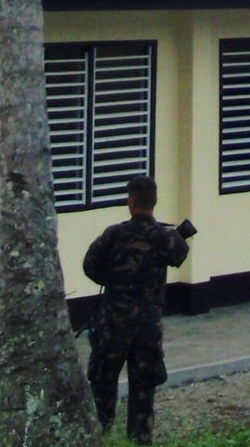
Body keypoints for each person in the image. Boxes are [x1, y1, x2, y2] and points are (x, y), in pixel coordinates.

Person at [82, 175, 190, 443]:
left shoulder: (114, 234)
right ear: (155, 202)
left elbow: (90, 266)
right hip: (147, 326)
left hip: (113, 322)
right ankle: (139, 439)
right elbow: (179, 253)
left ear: (130, 202)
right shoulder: (165, 238)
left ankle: (101, 436)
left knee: (102, 385)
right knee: (143, 390)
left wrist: (114, 280)